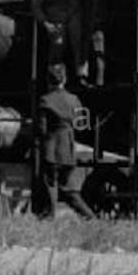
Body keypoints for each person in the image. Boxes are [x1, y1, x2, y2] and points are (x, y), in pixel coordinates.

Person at [37, 63, 94, 219]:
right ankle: (90, 216)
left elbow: (42, 129)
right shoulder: (74, 99)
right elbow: (81, 125)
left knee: (50, 185)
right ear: (65, 80)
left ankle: (49, 218)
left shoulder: (45, 100)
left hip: (52, 150)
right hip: (68, 150)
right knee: (68, 190)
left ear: (48, 80)